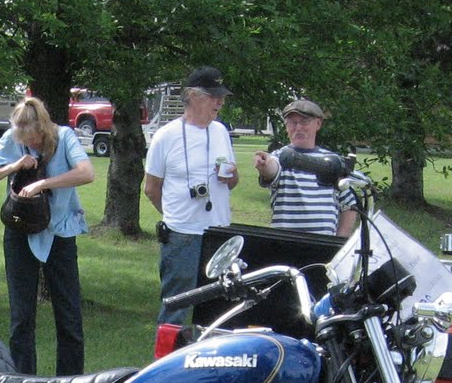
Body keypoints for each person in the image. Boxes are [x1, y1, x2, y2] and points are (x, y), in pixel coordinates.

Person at [0, 96, 94, 375]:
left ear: (42, 129)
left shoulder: (64, 137)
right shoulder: (13, 138)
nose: (29, 144)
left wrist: (43, 183)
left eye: (33, 139)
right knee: (21, 318)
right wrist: (14, 166)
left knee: (69, 317)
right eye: (22, 138)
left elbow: (87, 173)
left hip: (60, 232)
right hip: (20, 231)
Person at [144, 66, 239, 324]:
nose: (219, 102)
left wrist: (229, 176)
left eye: (221, 96)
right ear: (193, 96)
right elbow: (151, 188)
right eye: (213, 96)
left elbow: (234, 180)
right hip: (182, 236)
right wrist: (175, 216)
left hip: (219, 233)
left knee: (218, 309)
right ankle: (164, 362)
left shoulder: (220, 132)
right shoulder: (166, 136)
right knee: (176, 308)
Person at [253, 98, 357, 236]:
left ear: (318, 123)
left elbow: (349, 204)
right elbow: (272, 169)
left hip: (325, 247)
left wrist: (340, 241)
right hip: (285, 245)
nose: (298, 127)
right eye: (292, 122)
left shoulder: (333, 161)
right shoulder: (281, 156)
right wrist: (264, 164)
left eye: (304, 121)